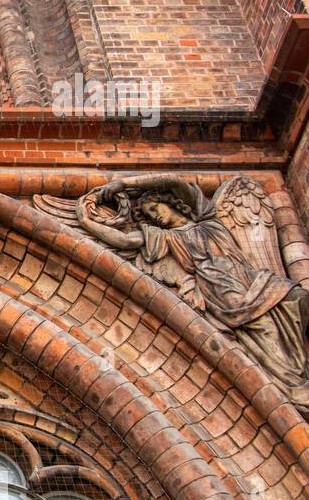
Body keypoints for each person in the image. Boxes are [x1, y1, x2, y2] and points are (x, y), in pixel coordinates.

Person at [79, 175, 309, 408]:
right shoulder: (166, 237)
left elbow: (177, 183)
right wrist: (87, 222)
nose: (154, 216)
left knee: (299, 298)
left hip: (255, 282)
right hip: (226, 296)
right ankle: (293, 388)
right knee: (269, 336)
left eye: (154, 208)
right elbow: (126, 240)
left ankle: (296, 377)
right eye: (148, 215)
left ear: (171, 203)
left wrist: (127, 185)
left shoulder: (208, 220)